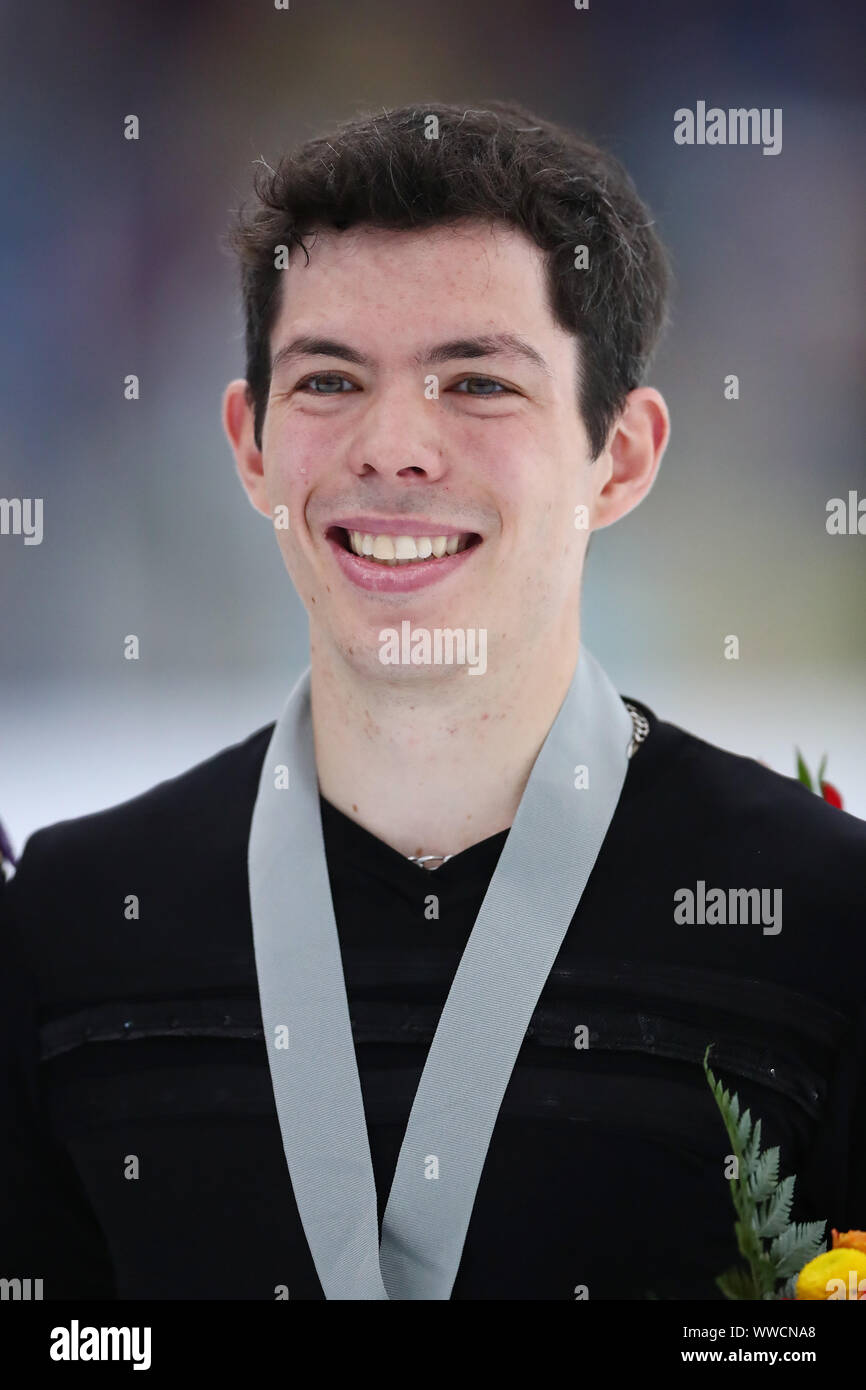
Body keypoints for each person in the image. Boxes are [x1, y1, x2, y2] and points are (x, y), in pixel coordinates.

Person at [2, 101, 864, 1302]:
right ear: (251, 444)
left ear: (617, 457)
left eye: (475, 381)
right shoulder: (73, 923)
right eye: (329, 378)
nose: (393, 445)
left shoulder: (825, 922)